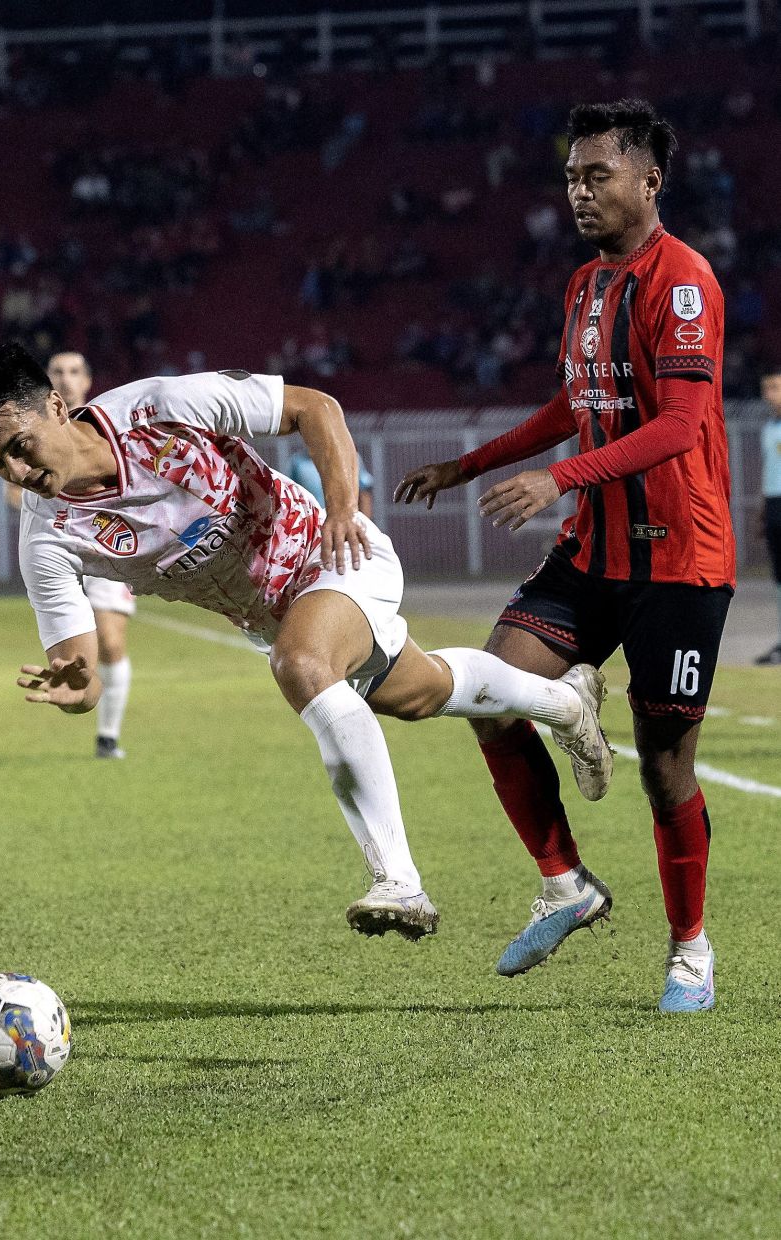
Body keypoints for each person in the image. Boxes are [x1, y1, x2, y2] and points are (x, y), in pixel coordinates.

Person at [0, 342, 613, 940]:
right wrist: (73, 687)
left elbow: (314, 408)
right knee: (422, 692)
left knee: (302, 663)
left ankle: (399, 882)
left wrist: (344, 508)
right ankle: (566, 703)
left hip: (335, 556)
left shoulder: (157, 408)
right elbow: (80, 675)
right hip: (270, 616)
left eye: (18, 445)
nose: (15, 470)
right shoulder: (49, 538)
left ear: (57, 408)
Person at [396, 99, 733, 1012]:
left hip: (680, 564)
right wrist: (467, 465)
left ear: (648, 181)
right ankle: (566, 883)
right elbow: (570, 406)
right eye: (572, 176)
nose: (578, 191)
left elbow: (683, 423)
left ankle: (690, 949)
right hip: (594, 555)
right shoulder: (586, 285)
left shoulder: (686, 282)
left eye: (597, 175)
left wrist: (559, 480)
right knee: (489, 692)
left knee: (667, 768)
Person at [47, 350, 135, 758]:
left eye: (74, 372)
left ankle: (108, 736)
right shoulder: (39, 434)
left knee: (112, 644)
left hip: (104, 547)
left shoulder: (106, 423)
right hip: (61, 550)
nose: (66, 379)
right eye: (58, 372)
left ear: (87, 380)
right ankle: (79, 700)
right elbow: (15, 492)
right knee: (75, 652)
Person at [755, 366, 781, 665]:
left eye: (774, 387)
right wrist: (762, 512)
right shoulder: (769, 428)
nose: (769, 395)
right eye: (766, 389)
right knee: (778, 578)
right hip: (774, 507)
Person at [287, 444, 374, 519]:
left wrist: (365, 524)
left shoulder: (349, 457)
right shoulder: (297, 462)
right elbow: (292, 498)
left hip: (344, 522)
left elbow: (364, 493)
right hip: (312, 523)